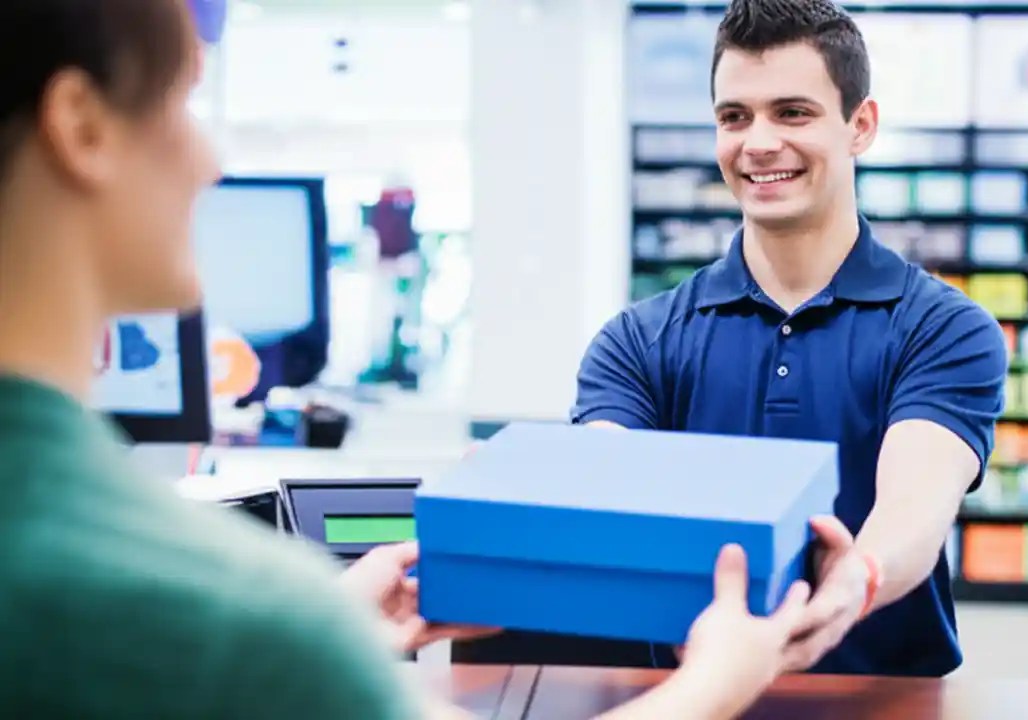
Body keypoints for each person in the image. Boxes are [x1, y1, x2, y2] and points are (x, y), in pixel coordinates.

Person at [0, 1, 811, 719]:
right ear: (82, 126)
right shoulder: (226, 615)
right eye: (181, 103)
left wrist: (332, 629)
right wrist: (720, 679)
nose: (208, 162)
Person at [572, 0, 1008, 678]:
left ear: (860, 125)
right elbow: (608, 493)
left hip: (883, 703)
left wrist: (850, 584)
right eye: (734, 116)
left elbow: (914, 506)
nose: (759, 142)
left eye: (793, 112)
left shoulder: (944, 328)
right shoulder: (637, 342)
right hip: (693, 699)